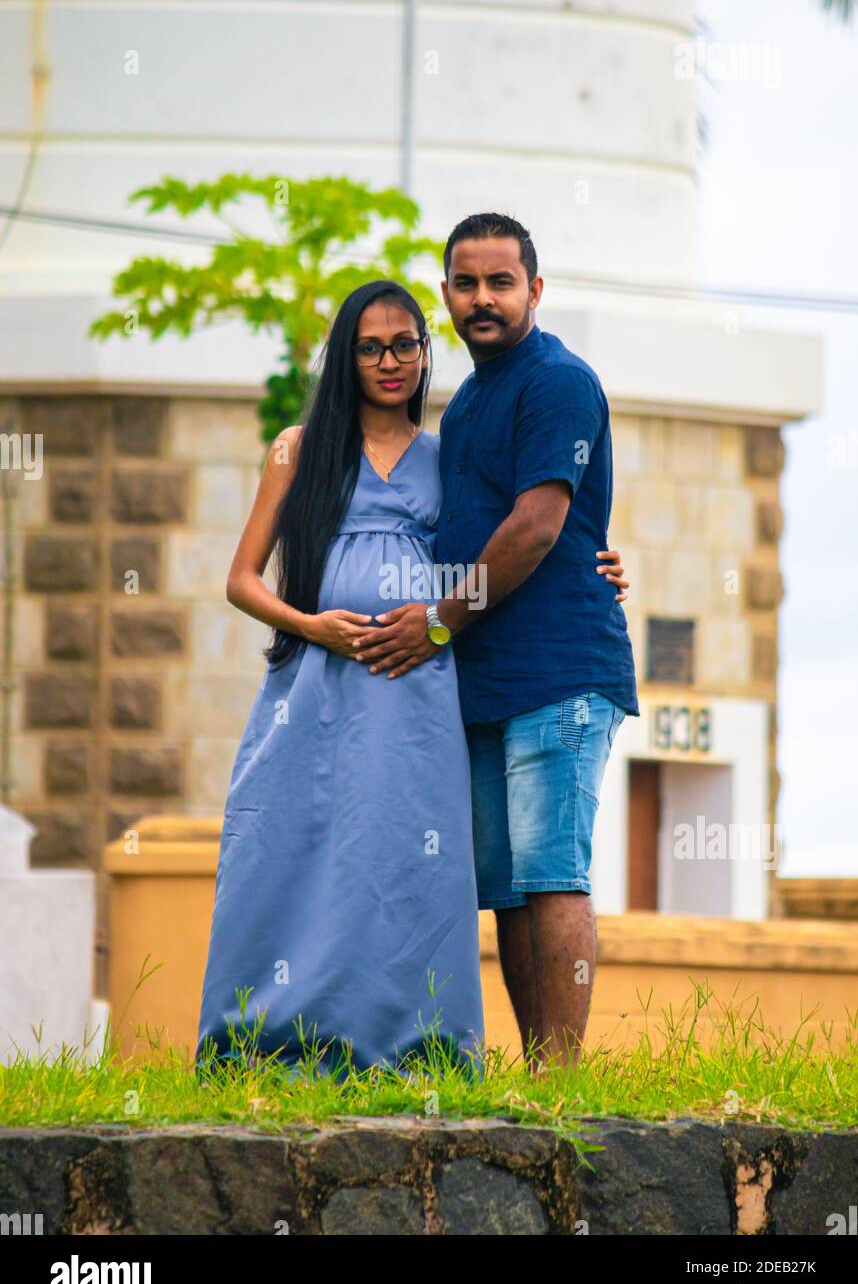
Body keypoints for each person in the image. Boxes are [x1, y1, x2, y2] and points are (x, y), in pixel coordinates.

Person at [195, 274, 628, 1081]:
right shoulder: (298, 448)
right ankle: (269, 1042)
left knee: (406, 859)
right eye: (370, 347)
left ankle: (412, 1047)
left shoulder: (448, 452)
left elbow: (518, 528)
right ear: (345, 357)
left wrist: (595, 564)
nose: (389, 362)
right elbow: (241, 579)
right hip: (317, 685)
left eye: (404, 345)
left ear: (425, 354)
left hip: (420, 687)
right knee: (288, 847)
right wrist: (312, 625)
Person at [351, 214, 639, 1072]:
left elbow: (537, 527)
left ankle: (562, 1078)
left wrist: (437, 621)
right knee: (507, 886)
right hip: (480, 678)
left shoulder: (558, 382)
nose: (484, 299)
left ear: (535, 291)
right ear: (446, 297)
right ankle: (535, 1072)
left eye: (501, 282)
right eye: (467, 284)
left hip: (559, 670)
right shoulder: (470, 399)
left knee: (553, 872)